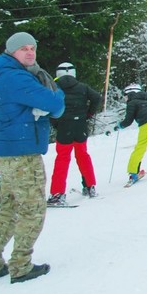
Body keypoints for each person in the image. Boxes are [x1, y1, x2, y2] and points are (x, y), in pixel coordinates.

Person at [0, 31, 65, 285]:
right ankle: (20, 266)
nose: (29, 52)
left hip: (7, 152)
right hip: (22, 153)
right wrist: (57, 94)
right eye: (23, 49)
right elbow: (56, 104)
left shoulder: (5, 74)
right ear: (11, 52)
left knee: (8, 209)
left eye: (32, 48)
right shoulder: (17, 78)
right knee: (33, 209)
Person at [46, 62, 103, 205]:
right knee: (83, 155)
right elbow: (96, 98)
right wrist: (88, 114)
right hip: (80, 125)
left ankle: (58, 194)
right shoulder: (82, 87)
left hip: (65, 126)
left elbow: (49, 107)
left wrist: (55, 122)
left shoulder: (54, 88)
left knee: (62, 159)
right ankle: (90, 187)